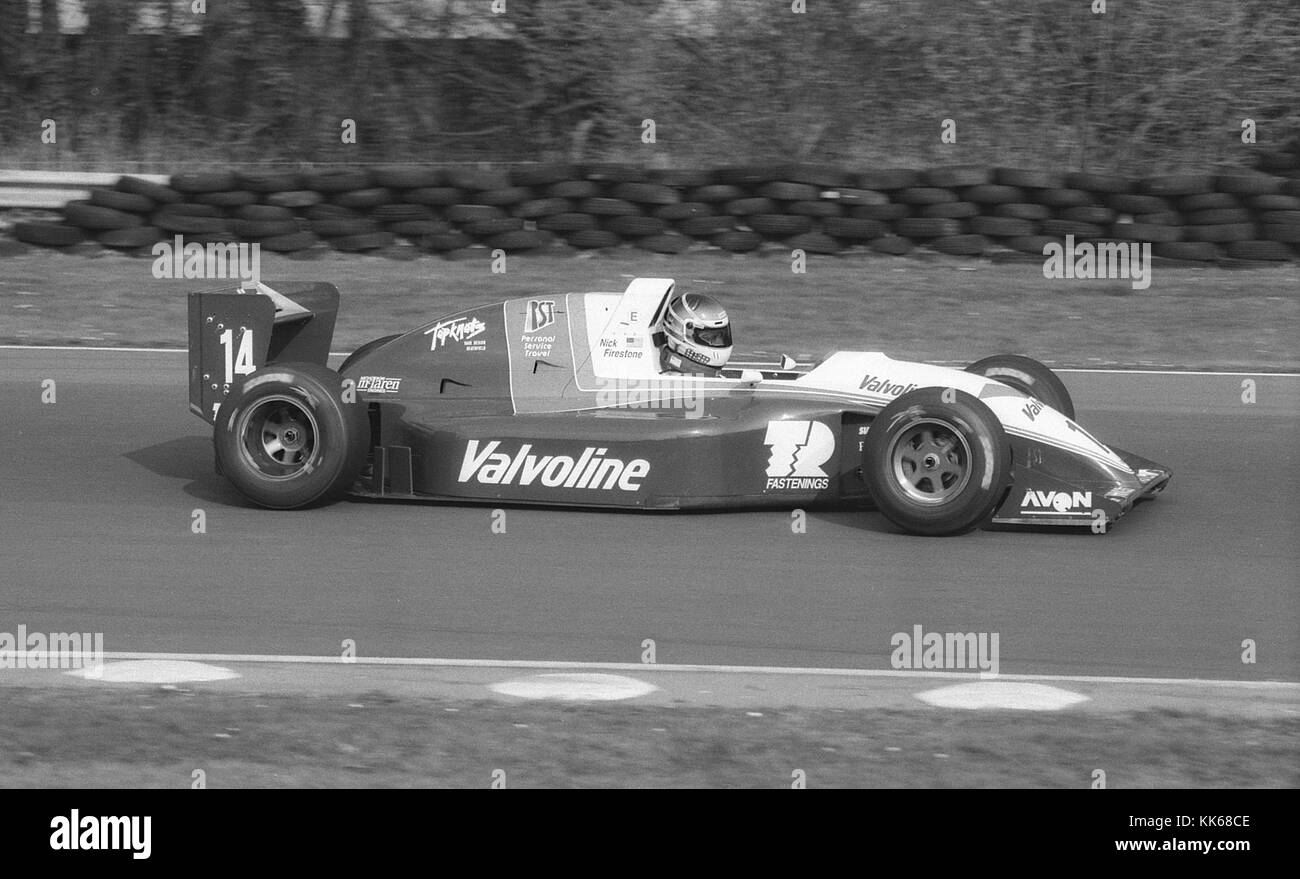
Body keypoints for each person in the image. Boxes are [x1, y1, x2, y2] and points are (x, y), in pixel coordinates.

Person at [658, 291, 733, 376]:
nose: (719, 341)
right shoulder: (672, 381)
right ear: (682, 333)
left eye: (721, 336)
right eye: (708, 337)